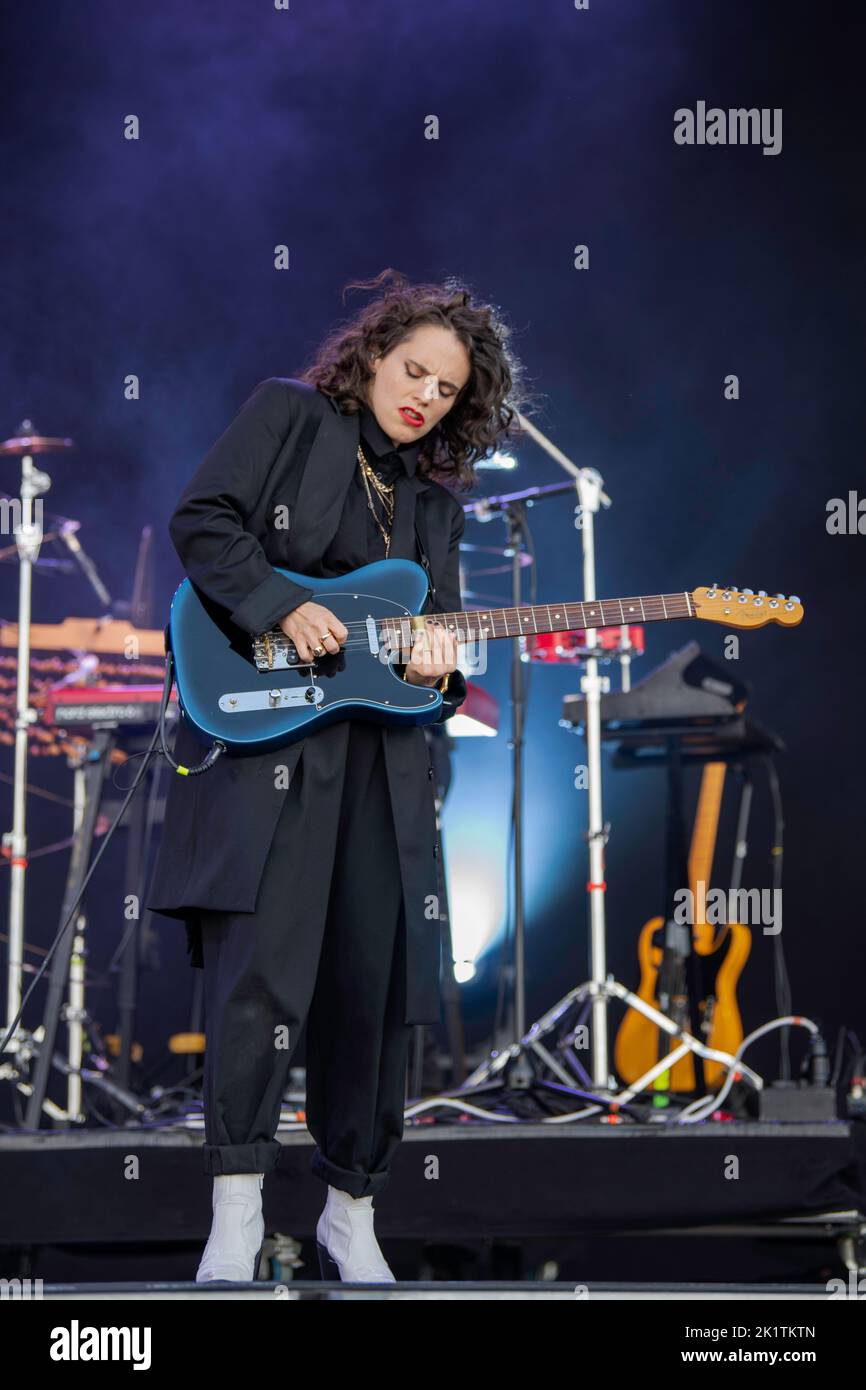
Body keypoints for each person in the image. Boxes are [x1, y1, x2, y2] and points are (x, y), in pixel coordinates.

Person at [145, 268, 523, 1282]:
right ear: (369, 356)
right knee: (259, 980)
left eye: (445, 391)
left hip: (382, 773)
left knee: (373, 982)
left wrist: (438, 668)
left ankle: (351, 1211)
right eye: (412, 371)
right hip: (275, 753)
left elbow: (424, 665)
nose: (423, 398)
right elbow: (202, 520)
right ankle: (236, 1211)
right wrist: (273, 601)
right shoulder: (290, 417)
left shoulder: (433, 508)